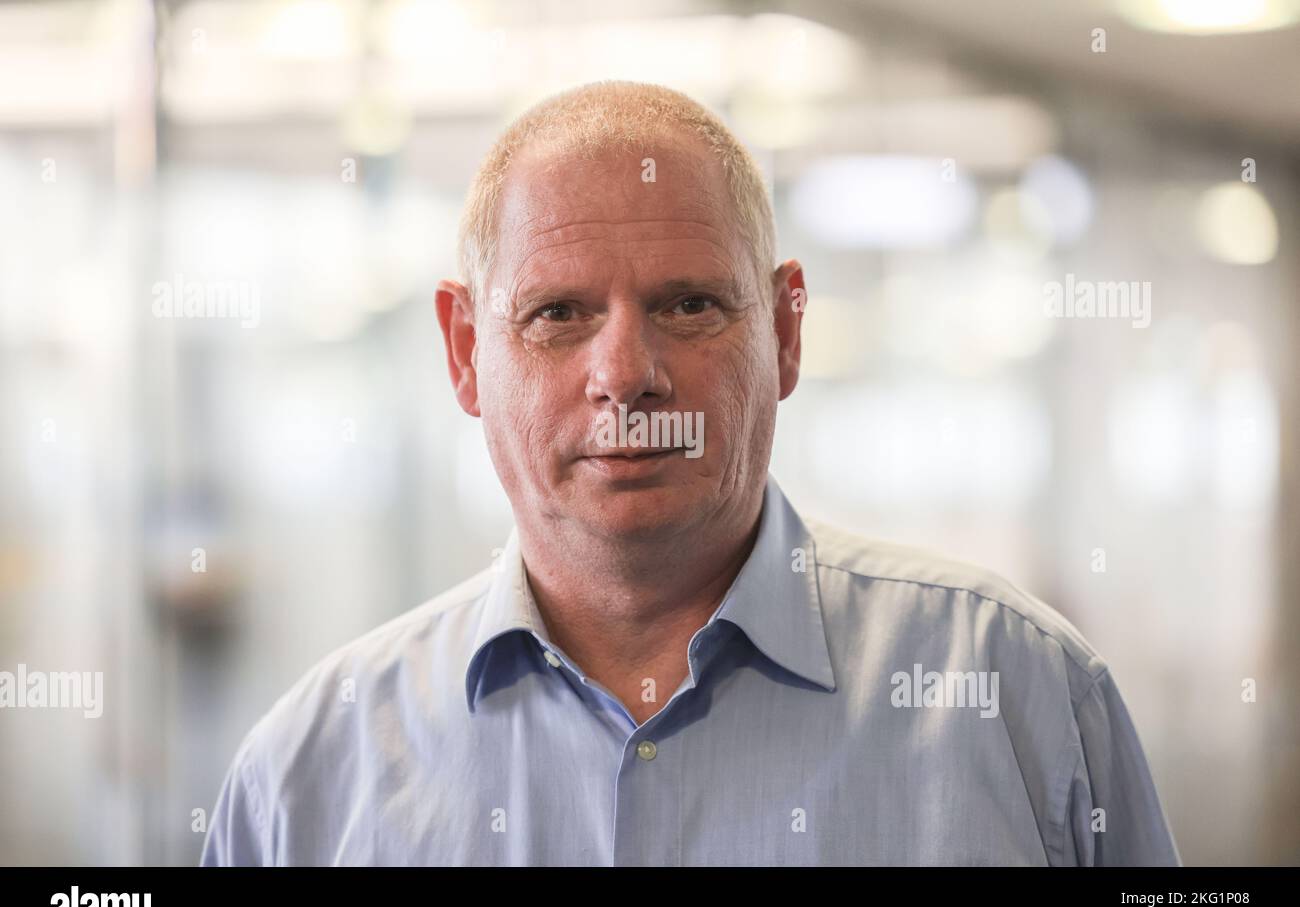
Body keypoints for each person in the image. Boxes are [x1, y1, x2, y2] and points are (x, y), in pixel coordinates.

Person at [201, 80, 1180, 866]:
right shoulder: (307, 776)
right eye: (557, 314)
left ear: (786, 331)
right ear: (464, 352)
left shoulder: (1019, 697)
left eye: (688, 305)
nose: (625, 373)